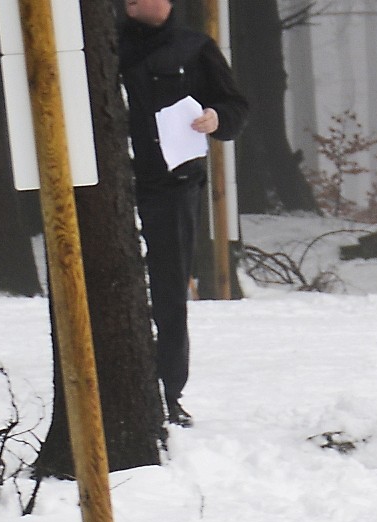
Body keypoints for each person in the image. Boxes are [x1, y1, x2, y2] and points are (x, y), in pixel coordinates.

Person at [119, 0, 249, 427]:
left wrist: (215, 119)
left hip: (174, 187)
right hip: (114, 186)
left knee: (171, 292)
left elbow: (234, 107)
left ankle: (167, 394)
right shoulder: (106, 48)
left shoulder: (196, 48)